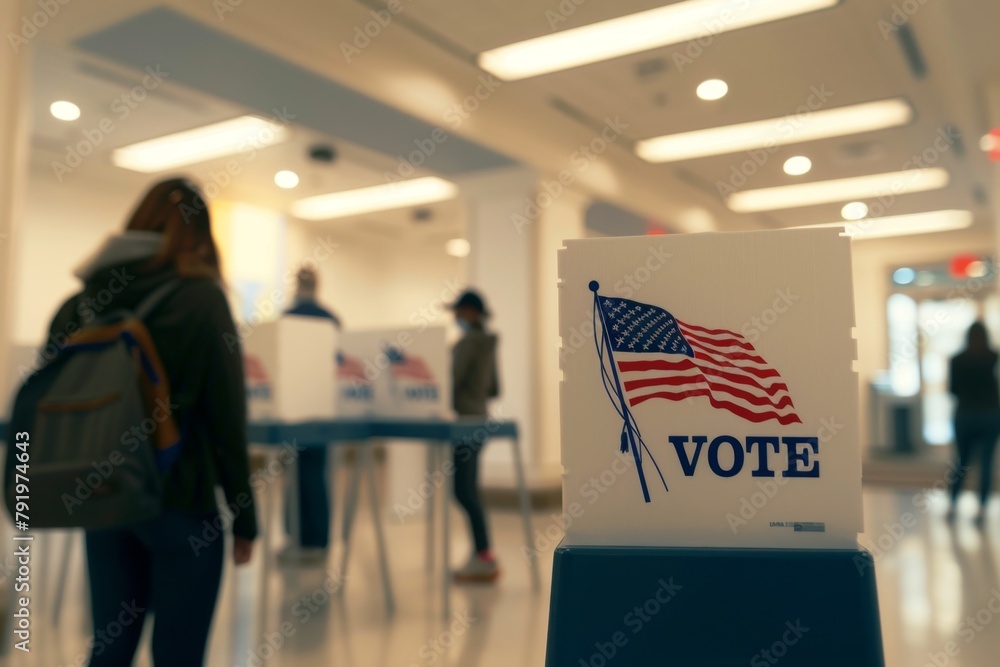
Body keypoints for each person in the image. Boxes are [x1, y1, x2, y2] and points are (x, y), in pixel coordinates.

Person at [45, 178, 257, 665]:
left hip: (104, 499)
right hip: (180, 501)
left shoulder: (78, 303)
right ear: (199, 235)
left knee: (110, 646)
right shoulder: (201, 298)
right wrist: (244, 515)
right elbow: (226, 417)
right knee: (178, 654)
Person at [280, 267, 341, 565]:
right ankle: (316, 539)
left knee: (297, 474)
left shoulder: (287, 318)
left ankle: (298, 537)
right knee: (314, 473)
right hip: (321, 409)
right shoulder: (330, 319)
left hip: (294, 410)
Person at [449, 289, 501, 582]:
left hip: (463, 423)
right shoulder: (490, 342)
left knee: (463, 491)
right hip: (480, 419)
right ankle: (483, 554)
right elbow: (494, 388)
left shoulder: (468, 343)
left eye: (458, 312)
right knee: (469, 490)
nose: (455, 317)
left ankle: (484, 554)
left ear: (469, 312)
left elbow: (450, 381)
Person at [948, 321, 1000, 524]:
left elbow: (952, 390)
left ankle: (953, 505)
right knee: (987, 463)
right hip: (990, 415)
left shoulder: (957, 360)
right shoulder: (993, 357)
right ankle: (981, 509)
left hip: (965, 415)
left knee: (961, 462)